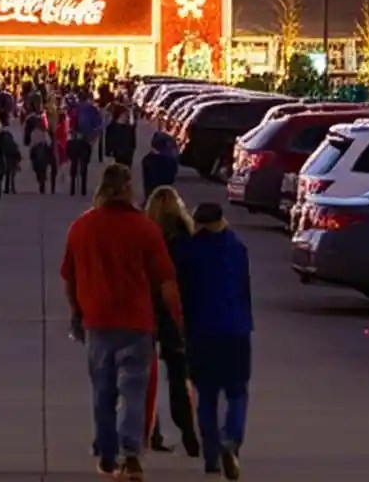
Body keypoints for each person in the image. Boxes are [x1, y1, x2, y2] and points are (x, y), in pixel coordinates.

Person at [61, 164, 184, 481]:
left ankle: (106, 453)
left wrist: (77, 310)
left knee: (103, 391)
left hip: (98, 320)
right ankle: (131, 453)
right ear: (129, 189)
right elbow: (166, 280)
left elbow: (69, 277)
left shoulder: (81, 227)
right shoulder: (144, 228)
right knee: (133, 390)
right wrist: (179, 319)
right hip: (136, 322)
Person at [177, 203, 253, 480]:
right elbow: (244, 289)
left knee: (206, 396)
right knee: (237, 392)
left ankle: (211, 456)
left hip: (201, 332)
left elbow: (183, 292)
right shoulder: (237, 249)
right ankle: (231, 440)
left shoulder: (189, 252)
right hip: (235, 329)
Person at [143, 186, 200, 457]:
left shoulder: (146, 238)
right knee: (179, 376)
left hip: (146, 312)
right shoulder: (187, 241)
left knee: (144, 377)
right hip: (177, 313)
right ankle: (188, 432)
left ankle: (150, 430)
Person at [140, 132, 180, 202]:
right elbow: (171, 178)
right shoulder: (170, 162)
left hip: (151, 198)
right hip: (164, 198)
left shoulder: (147, 160)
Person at [29, 125, 57, 193]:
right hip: (44, 149)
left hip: (43, 149)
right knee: (49, 166)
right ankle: (47, 184)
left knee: (40, 165)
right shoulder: (38, 132)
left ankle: (44, 183)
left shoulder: (37, 132)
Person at [0, 125, 22, 194]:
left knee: (7, 173)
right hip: (13, 155)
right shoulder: (9, 137)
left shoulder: (2, 138)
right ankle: (12, 188)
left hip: (8, 156)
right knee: (12, 174)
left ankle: (7, 188)